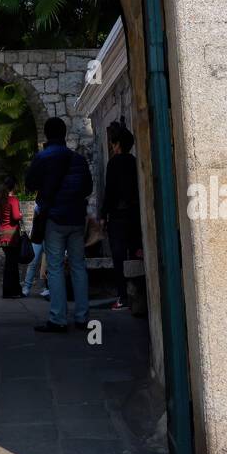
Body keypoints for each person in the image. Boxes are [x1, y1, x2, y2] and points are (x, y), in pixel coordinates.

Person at [26, 117, 93, 334]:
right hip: (76, 217)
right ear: (64, 134)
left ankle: (58, 318)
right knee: (78, 265)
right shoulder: (78, 159)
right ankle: (83, 317)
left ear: (46, 134)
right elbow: (88, 187)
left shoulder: (43, 157)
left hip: (54, 217)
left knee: (54, 267)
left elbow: (29, 184)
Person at [100, 119, 142, 312]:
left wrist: (103, 215)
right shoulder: (134, 162)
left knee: (118, 257)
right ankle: (140, 293)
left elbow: (109, 192)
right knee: (136, 252)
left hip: (117, 216)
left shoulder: (113, 164)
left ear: (117, 145)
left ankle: (123, 297)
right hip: (134, 215)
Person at [0, 175, 24, 298]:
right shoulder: (13, 200)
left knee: (9, 263)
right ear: (14, 186)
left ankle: (13, 290)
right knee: (12, 265)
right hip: (12, 234)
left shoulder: (0, 199)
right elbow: (16, 217)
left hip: (3, 234)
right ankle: (11, 291)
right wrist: (21, 214)